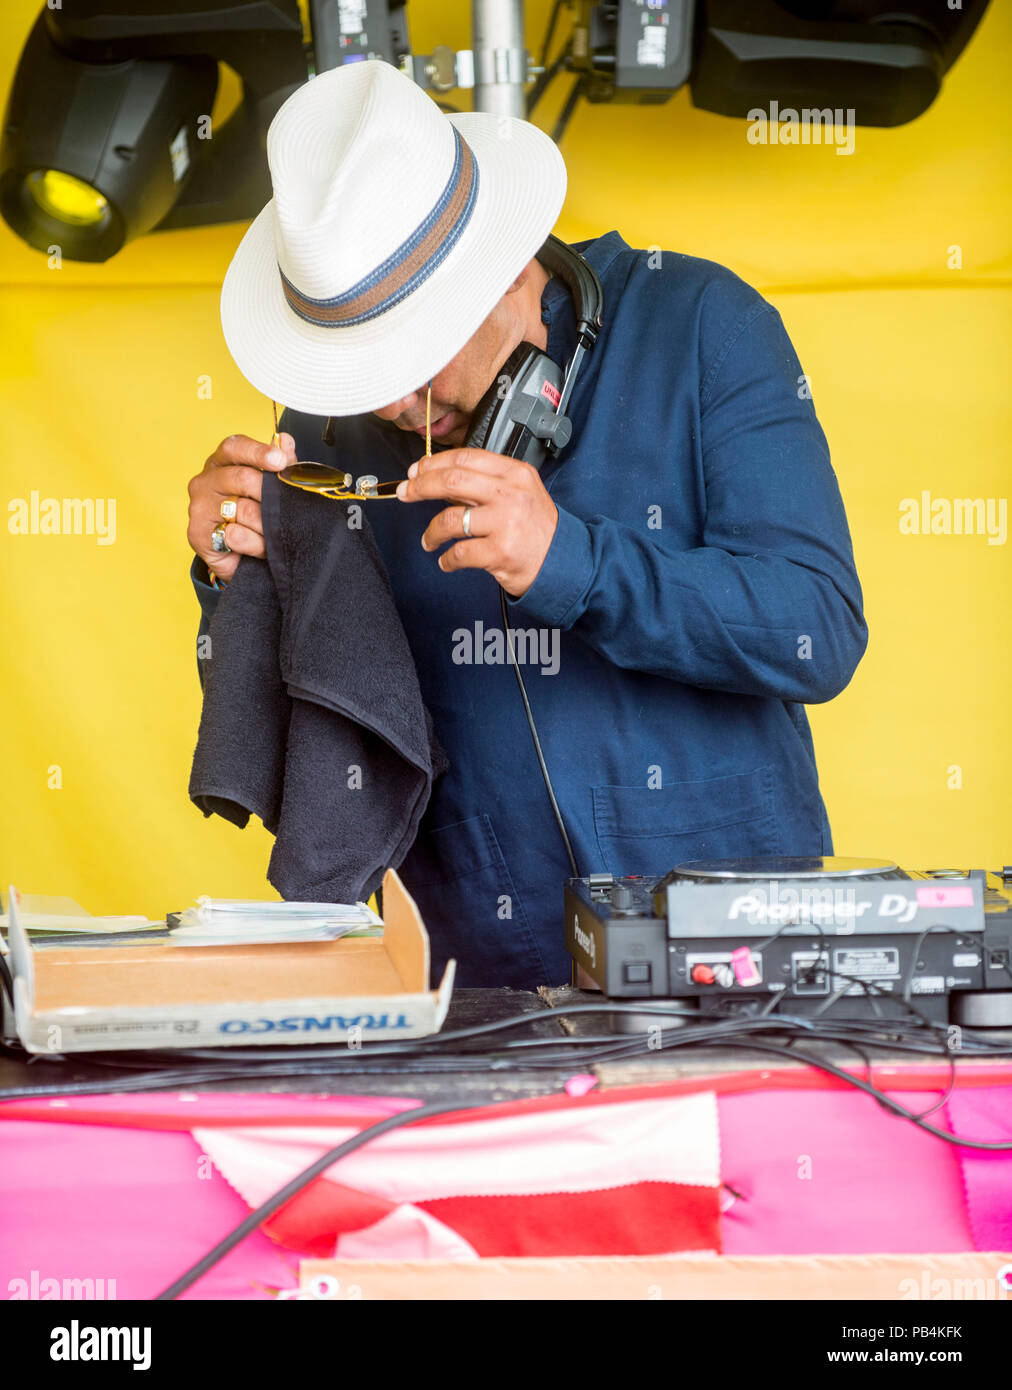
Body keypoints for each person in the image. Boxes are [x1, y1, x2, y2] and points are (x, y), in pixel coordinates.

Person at [186, 61, 868, 990]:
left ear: (508, 262)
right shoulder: (327, 433)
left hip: (738, 953)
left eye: (417, 353)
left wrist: (574, 562)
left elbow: (817, 630)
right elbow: (316, 736)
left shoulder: (705, 322)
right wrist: (240, 581)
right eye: (362, 366)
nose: (394, 403)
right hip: (470, 976)